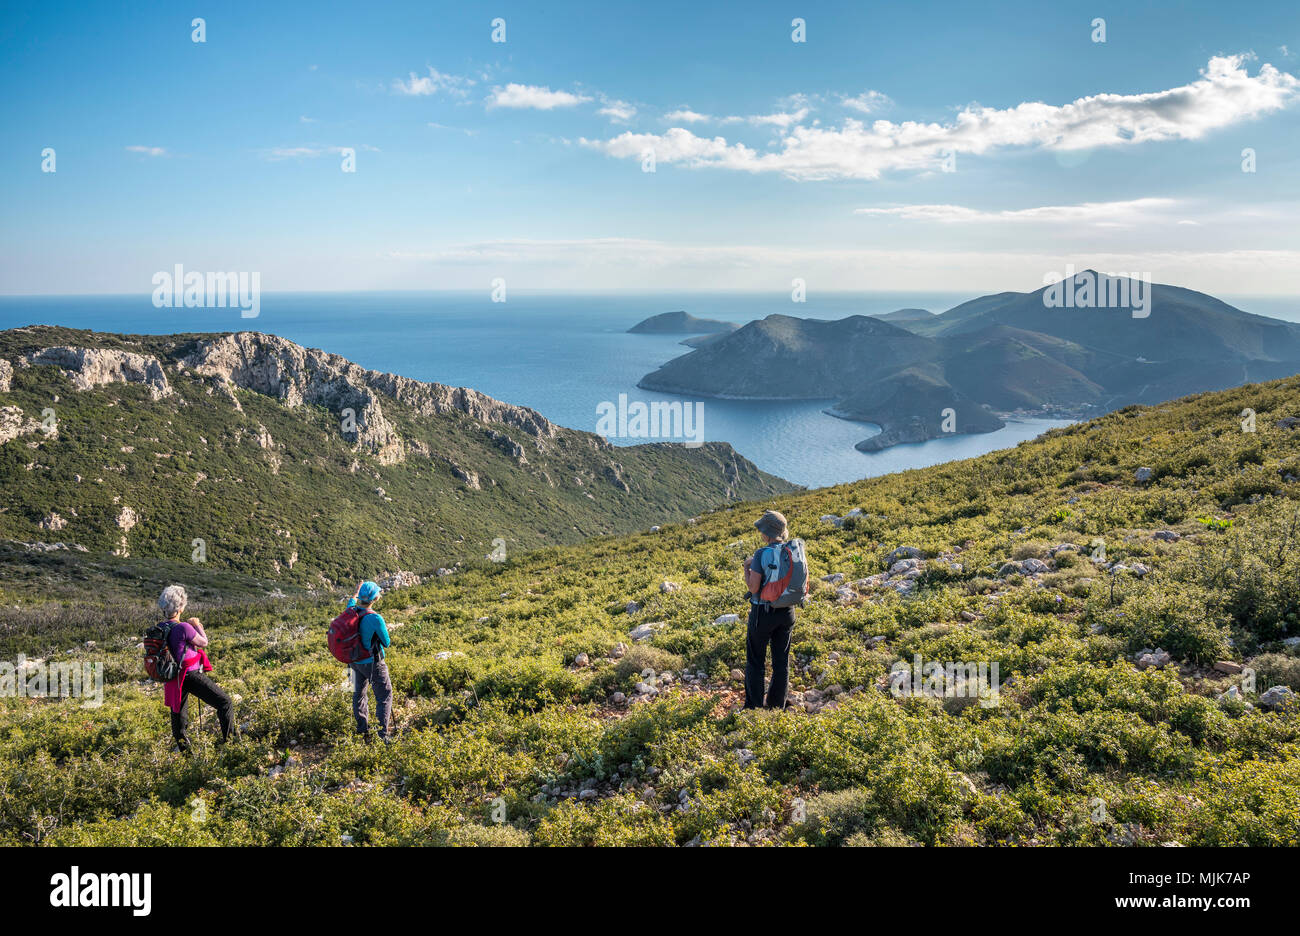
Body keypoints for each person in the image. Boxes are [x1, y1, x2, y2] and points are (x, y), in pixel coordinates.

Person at [158, 584, 233, 751]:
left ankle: (187, 756)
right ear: (180, 607)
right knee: (224, 702)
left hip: (172, 678)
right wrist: (197, 624)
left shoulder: (161, 628)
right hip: (190, 675)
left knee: (179, 718)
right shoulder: (184, 627)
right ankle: (231, 745)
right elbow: (203, 642)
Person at [742, 510, 796, 710]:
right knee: (781, 661)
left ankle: (754, 708)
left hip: (763, 613)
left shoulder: (761, 554)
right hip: (787, 611)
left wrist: (747, 569)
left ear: (766, 532)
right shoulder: (793, 551)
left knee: (756, 661)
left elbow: (754, 588)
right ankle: (776, 707)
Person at [346, 581, 393, 742]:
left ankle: (362, 731)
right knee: (384, 695)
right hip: (372, 662)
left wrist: (356, 591)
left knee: (357, 694)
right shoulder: (375, 618)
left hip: (351, 661)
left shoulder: (350, 611)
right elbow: (386, 642)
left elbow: (351, 601)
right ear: (375, 598)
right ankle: (382, 736)